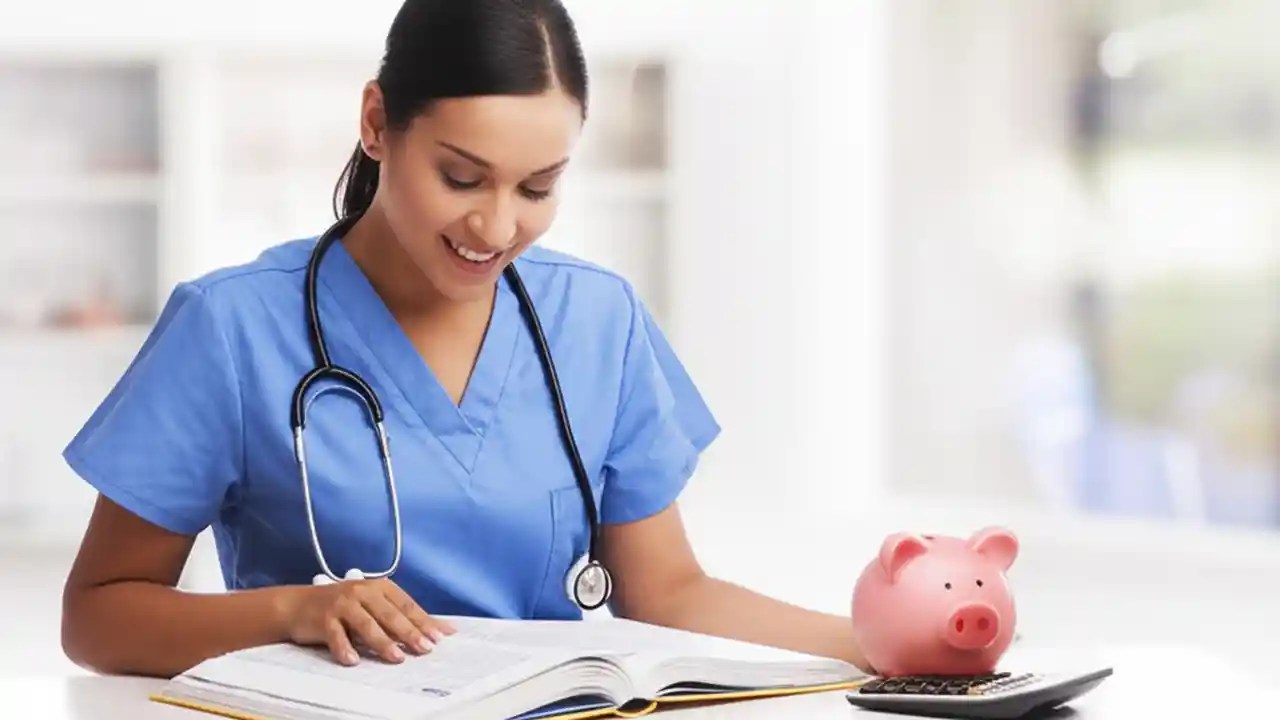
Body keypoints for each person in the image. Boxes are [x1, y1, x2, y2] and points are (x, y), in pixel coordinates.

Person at [59, 0, 871, 679]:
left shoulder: (598, 320)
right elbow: (97, 616)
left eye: (538, 187)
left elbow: (669, 595)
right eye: (461, 177)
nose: (497, 226)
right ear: (378, 125)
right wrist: (293, 612)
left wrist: (886, 648)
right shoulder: (231, 329)